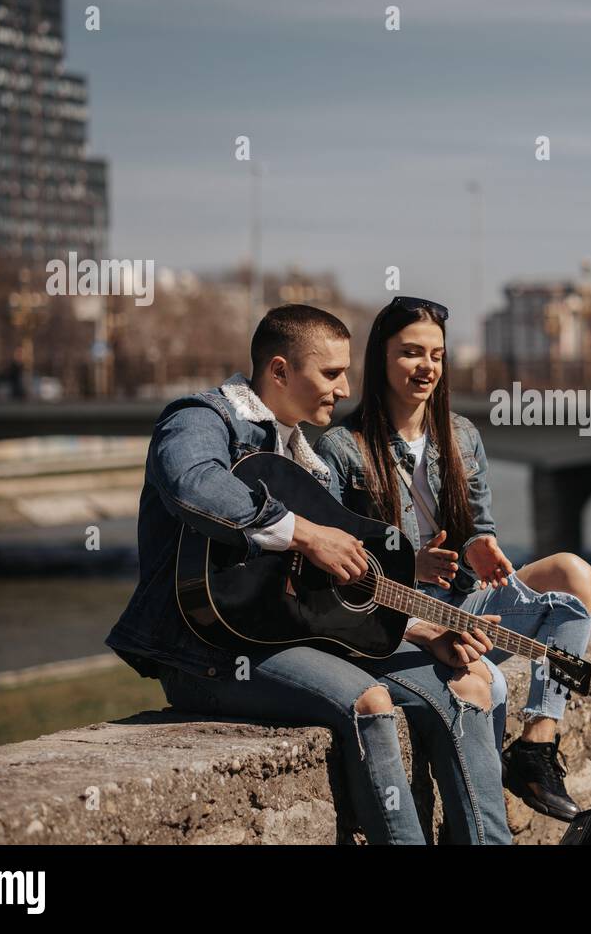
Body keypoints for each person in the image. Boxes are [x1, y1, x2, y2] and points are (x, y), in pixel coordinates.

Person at [104, 303, 511, 844]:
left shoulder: (307, 464)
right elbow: (193, 483)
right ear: (279, 371)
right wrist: (306, 532)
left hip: (287, 638)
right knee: (371, 704)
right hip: (205, 654)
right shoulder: (201, 418)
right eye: (331, 373)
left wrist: (419, 627)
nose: (345, 388)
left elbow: (326, 599)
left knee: (466, 690)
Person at [315, 295, 591, 822]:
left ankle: (536, 745)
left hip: (465, 599)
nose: (426, 367)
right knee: (488, 685)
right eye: (411, 353)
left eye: (437, 355)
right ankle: (478, 819)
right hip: (401, 617)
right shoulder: (342, 449)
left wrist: (478, 545)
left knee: (573, 575)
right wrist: (407, 566)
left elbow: (478, 527)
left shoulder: (462, 436)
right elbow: (336, 570)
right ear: (381, 357)